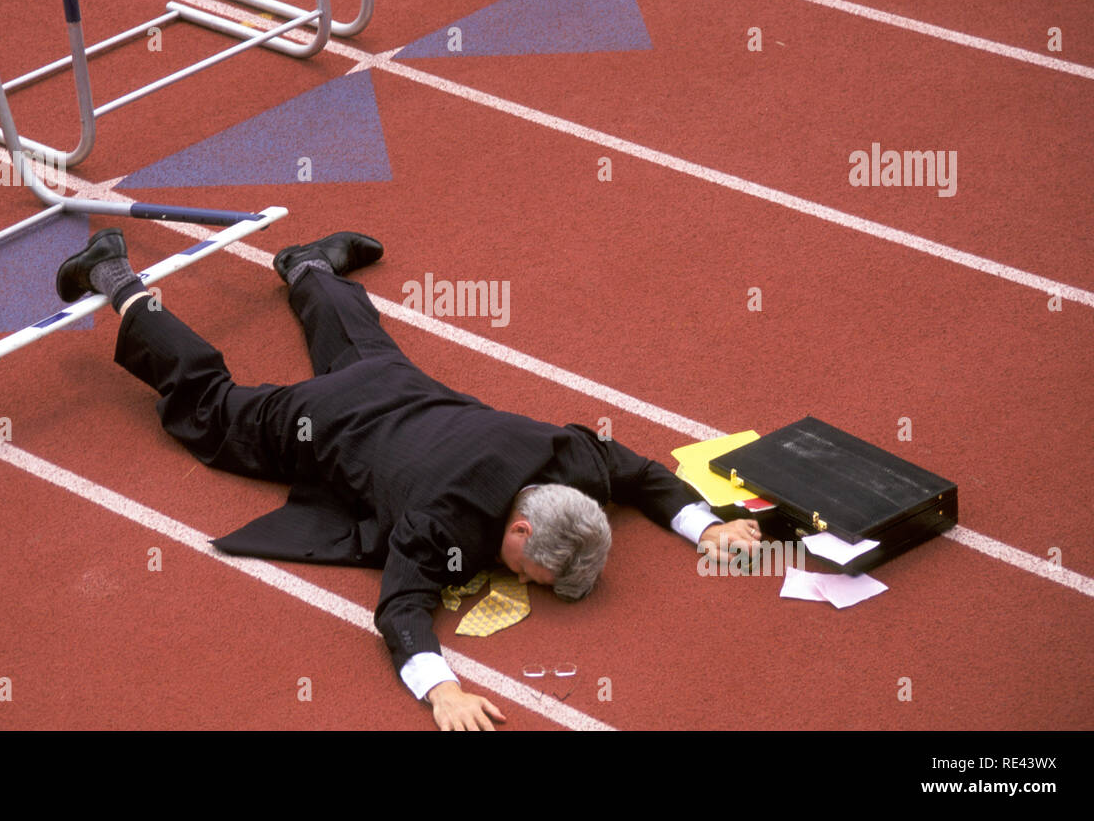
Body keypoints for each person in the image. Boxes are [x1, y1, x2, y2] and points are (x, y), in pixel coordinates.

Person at [56, 229, 761, 730]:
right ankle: (113, 276)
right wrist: (441, 688)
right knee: (207, 410)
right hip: (323, 422)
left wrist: (710, 524)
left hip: (394, 386)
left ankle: (309, 267)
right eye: (533, 573)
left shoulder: (571, 456)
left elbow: (640, 474)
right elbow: (399, 608)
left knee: (360, 348)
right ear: (519, 528)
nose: (526, 584)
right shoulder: (444, 519)